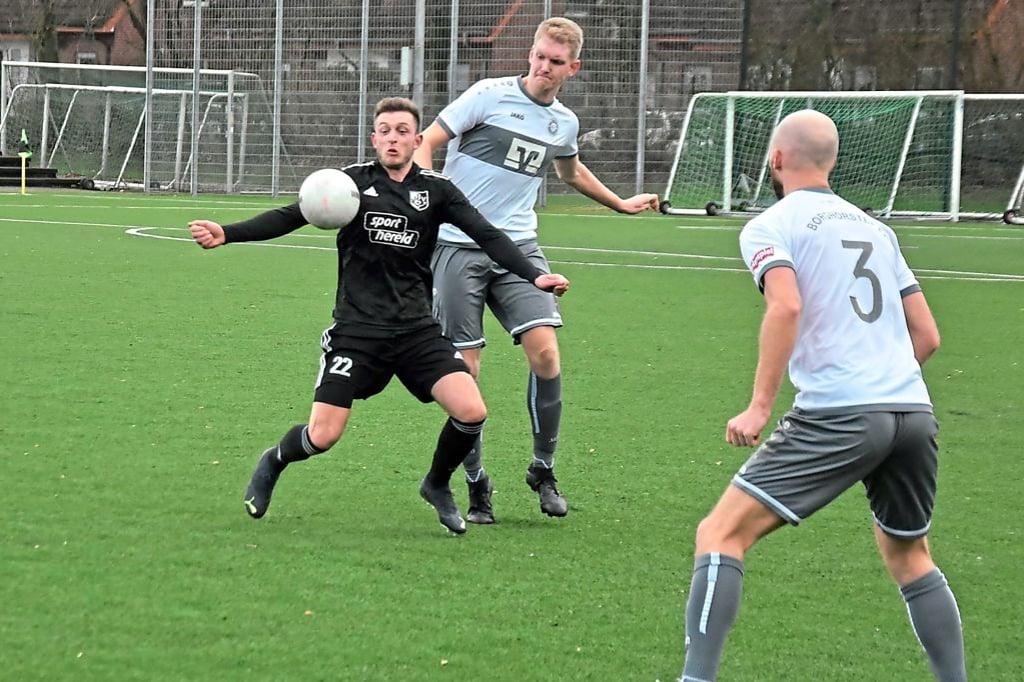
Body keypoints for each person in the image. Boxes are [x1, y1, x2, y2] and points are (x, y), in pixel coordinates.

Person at [188, 97, 570, 535]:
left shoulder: (437, 190)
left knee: (471, 411)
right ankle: (274, 460)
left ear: (417, 139)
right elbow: (291, 216)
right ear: (374, 138)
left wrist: (533, 276)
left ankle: (437, 483)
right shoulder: (348, 185)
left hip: (416, 332)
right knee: (323, 436)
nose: (393, 137)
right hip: (357, 332)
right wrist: (229, 233)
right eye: (385, 130)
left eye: (402, 130)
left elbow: (487, 234)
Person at [679, 110, 966, 681]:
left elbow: (785, 305)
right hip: (911, 412)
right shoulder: (877, 230)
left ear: (776, 159)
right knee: (910, 555)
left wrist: (761, 406)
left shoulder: (772, 224)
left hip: (840, 411)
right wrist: (883, 377)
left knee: (720, 534)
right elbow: (927, 336)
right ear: (832, 161)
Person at [413, 17, 659, 523]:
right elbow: (427, 140)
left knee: (545, 352)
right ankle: (477, 482)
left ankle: (542, 469)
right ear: (531, 53)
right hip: (458, 246)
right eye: (538, 56)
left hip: (518, 249)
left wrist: (620, 204)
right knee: (466, 371)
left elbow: (570, 171)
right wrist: (425, 189)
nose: (542, 67)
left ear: (573, 67)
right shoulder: (487, 95)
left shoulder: (563, 123)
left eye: (554, 62)